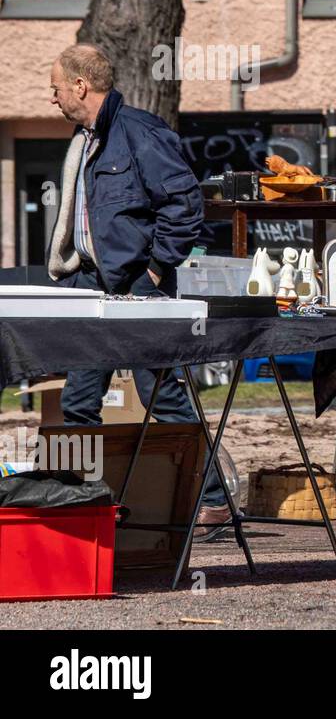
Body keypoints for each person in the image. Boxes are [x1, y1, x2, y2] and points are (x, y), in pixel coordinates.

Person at [46, 43, 230, 531]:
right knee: (78, 402)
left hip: (138, 285)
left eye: (57, 88)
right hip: (92, 283)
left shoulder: (138, 132)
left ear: (81, 86)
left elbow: (184, 203)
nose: (54, 98)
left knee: (162, 395)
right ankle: (80, 501)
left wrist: (153, 270)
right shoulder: (87, 139)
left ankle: (212, 500)